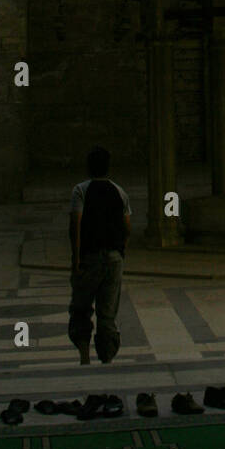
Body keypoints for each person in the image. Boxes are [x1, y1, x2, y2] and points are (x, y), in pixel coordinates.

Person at [68, 147, 131, 365]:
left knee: (81, 308)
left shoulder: (81, 190)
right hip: (113, 258)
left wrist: (76, 259)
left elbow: (75, 225)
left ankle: (85, 357)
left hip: (90, 257)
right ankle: (106, 359)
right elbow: (127, 226)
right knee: (107, 313)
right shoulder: (119, 191)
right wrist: (121, 250)